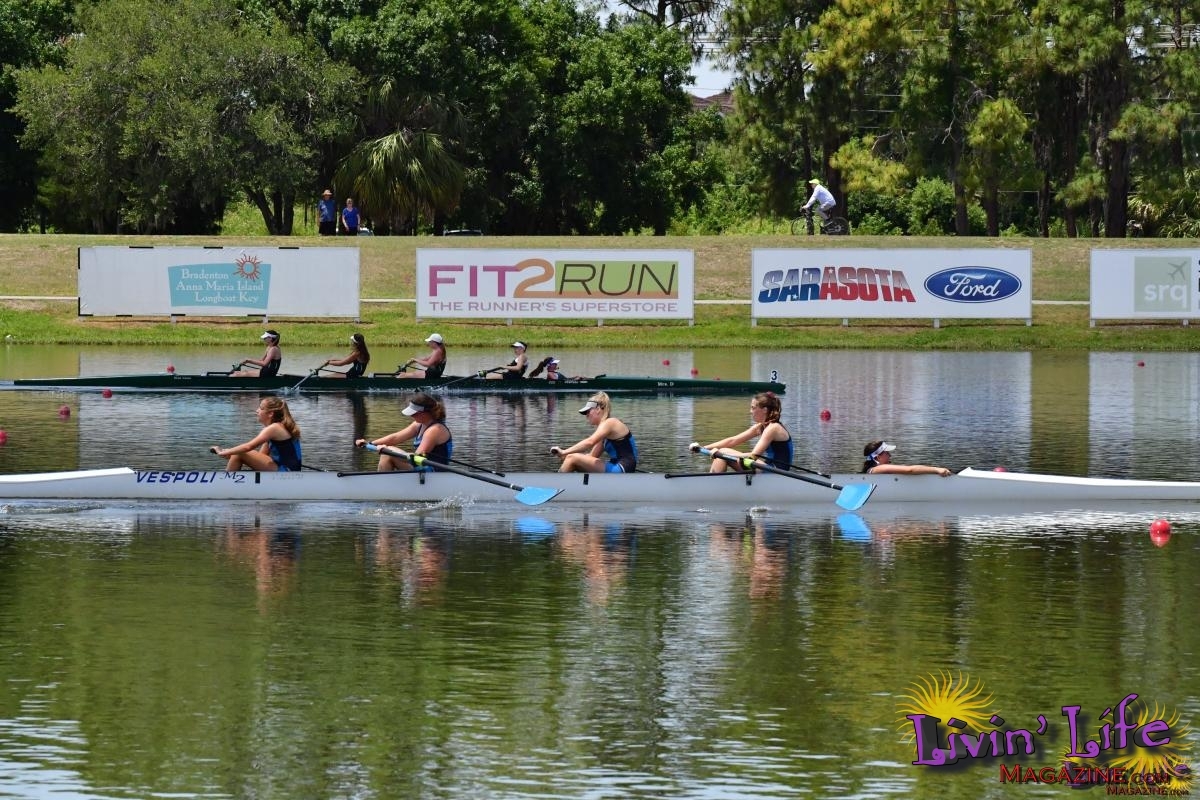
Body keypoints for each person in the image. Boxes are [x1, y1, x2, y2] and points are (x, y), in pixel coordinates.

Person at [355, 392, 452, 472]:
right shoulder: (418, 424)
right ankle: (384, 487)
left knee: (387, 453)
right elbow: (395, 438)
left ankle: (384, 488)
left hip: (435, 475)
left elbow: (417, 457)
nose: (411, 416)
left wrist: (388, 450)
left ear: (424, 413)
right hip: (423, 470)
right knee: (387, 454)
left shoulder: (435, 430)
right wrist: (370, 443)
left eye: (414, 414)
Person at [699, 392, 792, 473]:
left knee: (723, 452)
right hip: (767, 468)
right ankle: (714, 483)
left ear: (765, 410)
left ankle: (712, 486)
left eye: (753, 408)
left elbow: (753, 457)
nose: (750, 412)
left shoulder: (773, 428)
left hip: (778, 473)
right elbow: (733, 440)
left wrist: (721, 453)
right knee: (722, 453)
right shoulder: (760, 427)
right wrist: (704, 448)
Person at [550, 392, 638, 473]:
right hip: (618, 466)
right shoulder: (604, 433)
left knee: (572, 458)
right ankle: (565, 485)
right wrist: (566, 455)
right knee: (572, 459)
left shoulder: (611, 422)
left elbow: (590, 442)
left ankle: (554, 486)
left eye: (588, 411)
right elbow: (591, 457)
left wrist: (564, 452)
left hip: (623, 467)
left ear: (598, 409)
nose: (587, 415)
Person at [210, 396, 302, 471]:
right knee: (238, 454)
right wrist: (231, 453)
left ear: (270, 414)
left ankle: (225, 483)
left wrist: (223, 452)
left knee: (242, 452)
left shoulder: (274, 428)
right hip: (284, 469)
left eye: (261, 408)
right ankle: (230, 481)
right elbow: (262, 456)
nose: (257, 411)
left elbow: (248, 447)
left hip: (288, 472)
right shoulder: (275, 429)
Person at [861, 441, 951, 476]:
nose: (890, 456)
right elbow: (909, 470)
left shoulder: (873, 470)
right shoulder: (878, 469)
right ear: (878, 457)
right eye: (887, 453)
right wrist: (937, 470)